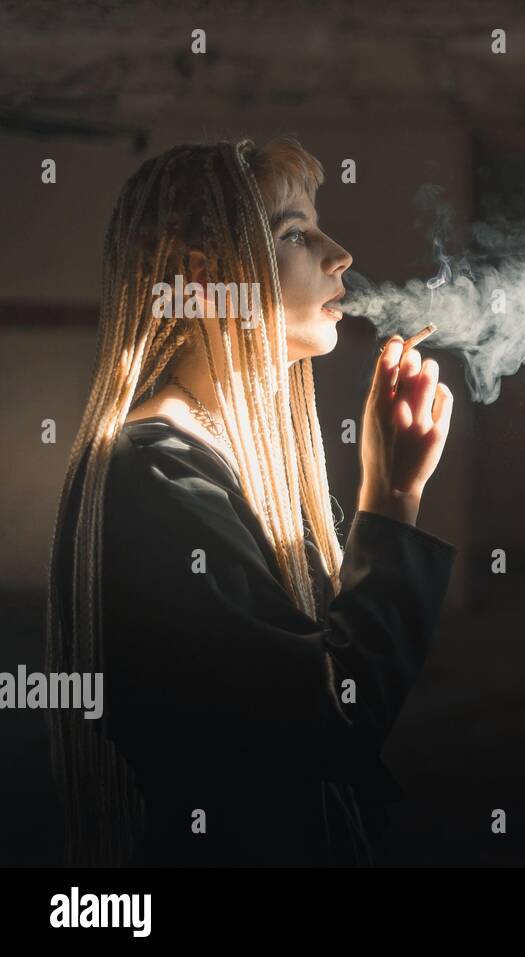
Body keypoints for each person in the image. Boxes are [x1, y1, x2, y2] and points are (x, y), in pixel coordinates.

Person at [44, 136, 456, 866]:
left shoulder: (209, 457)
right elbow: (325, 720)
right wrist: (392, 496)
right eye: (295, 232)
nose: (340, 255)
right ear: (206, 280)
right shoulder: (158, 477)